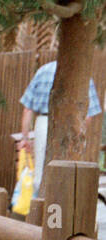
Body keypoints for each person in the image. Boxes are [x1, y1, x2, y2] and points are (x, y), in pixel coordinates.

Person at [16, 58, 102, 196]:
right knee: (66, 171)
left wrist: (25, 138)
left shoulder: (42, 71)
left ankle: (40, 209)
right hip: (71, 125)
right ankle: (60, 209)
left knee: (40, 172)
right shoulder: (83, 76)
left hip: (43, 122)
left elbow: (27, 109)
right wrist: (77, 134)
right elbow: (88, 116)